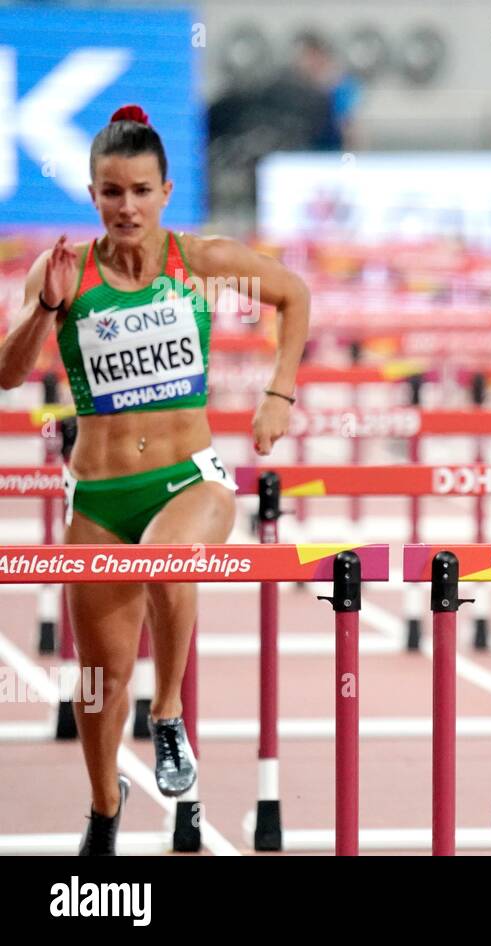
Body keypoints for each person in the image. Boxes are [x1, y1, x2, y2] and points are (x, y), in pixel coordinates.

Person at [0, 105, 310, 855]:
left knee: (170, 562)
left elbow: (294, 294)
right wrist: (45, 309)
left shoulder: (197, 261)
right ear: (92, 194)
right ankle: (105, 807)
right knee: (100, 680)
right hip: (99, 498)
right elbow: (8, 374)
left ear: (165, 192)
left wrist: (279, 392)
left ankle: (167, 712)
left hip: (189, 480)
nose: (127, 207)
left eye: (141, 190)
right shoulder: (63, 271)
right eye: (112, 192)